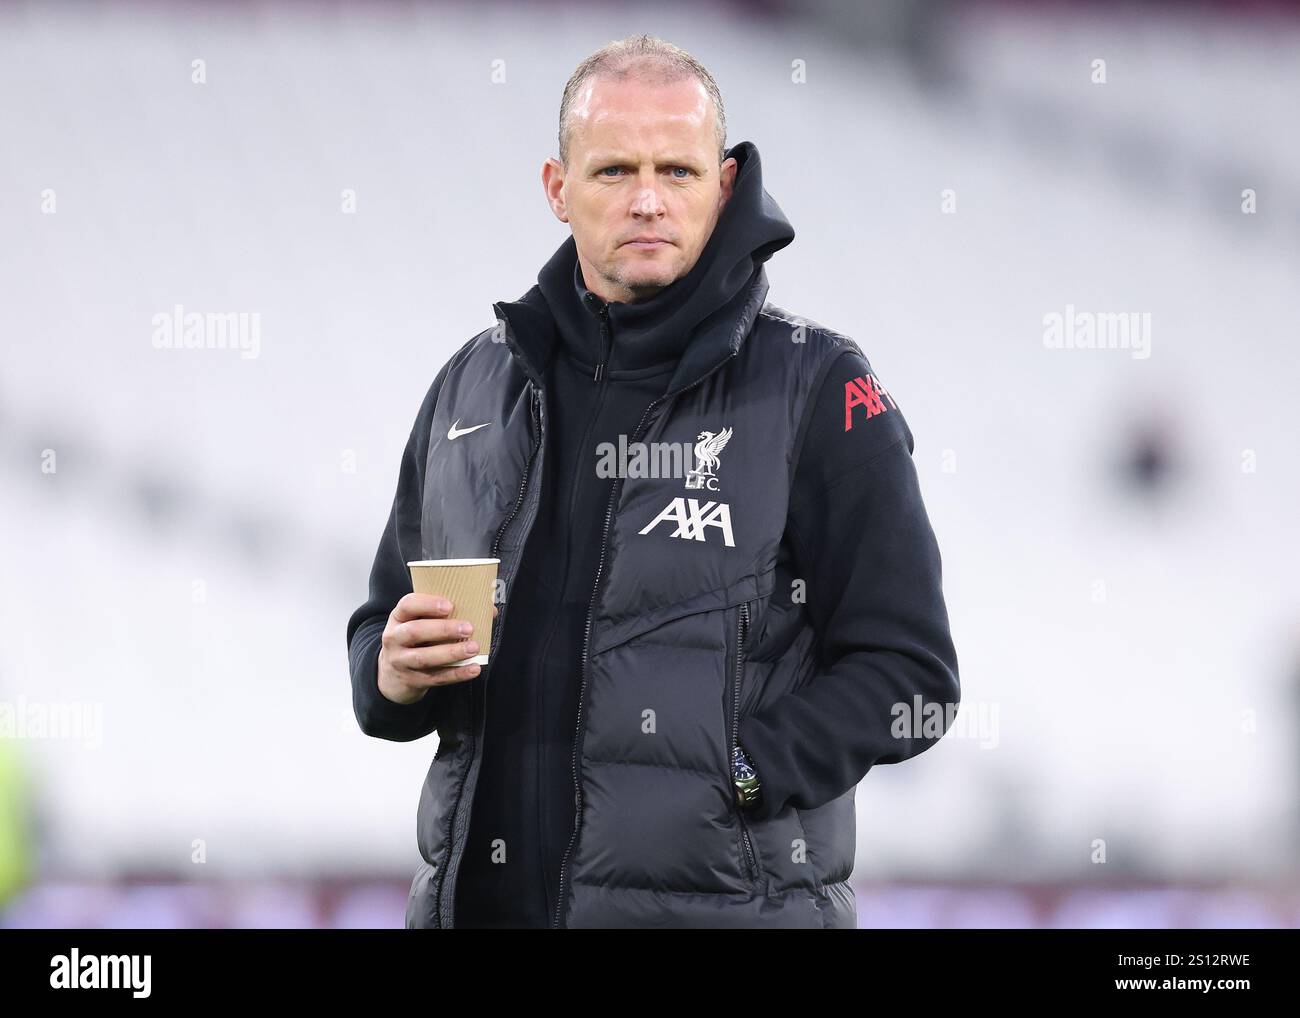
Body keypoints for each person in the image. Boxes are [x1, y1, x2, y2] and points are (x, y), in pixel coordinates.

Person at [346, 34, 960, 929]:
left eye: (676, 170)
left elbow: (913, 679)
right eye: (613, 172)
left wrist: (742, 767)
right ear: (557, 190)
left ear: (723, 183)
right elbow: (380, 631)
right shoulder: (472, 386)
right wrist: (391, 674)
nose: (646, 200)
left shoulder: (818, 387)